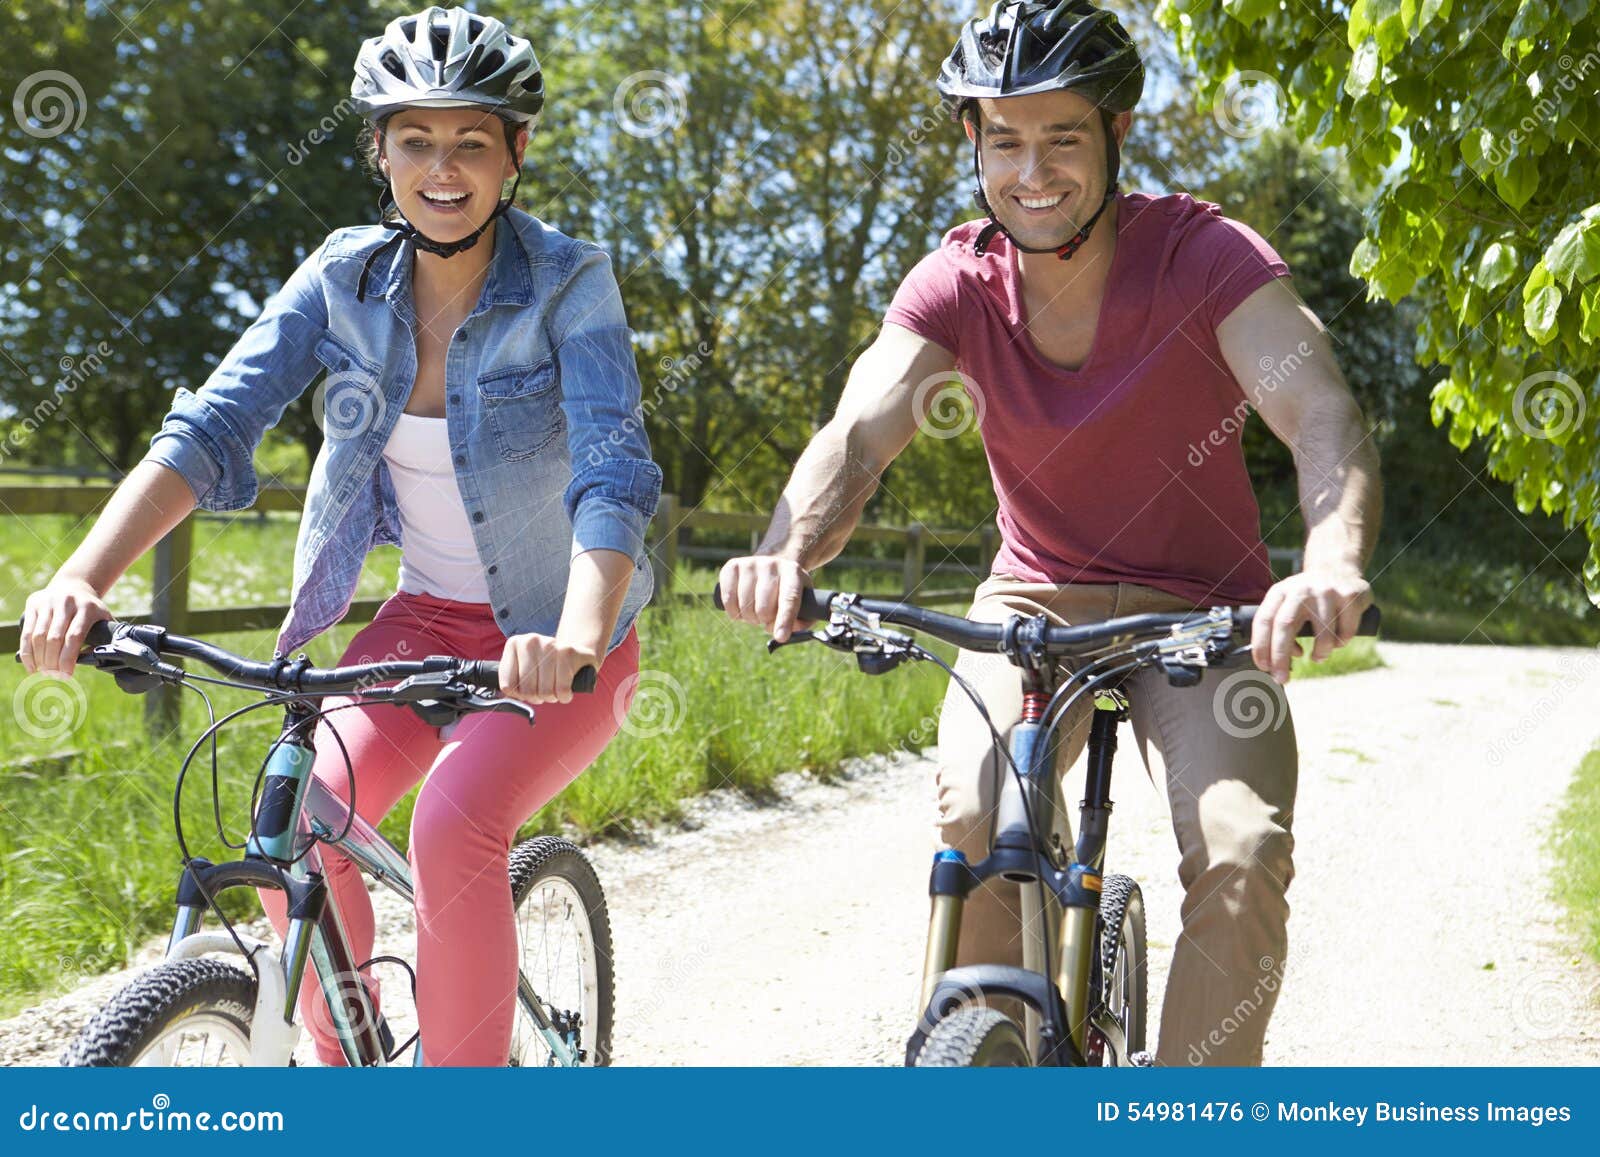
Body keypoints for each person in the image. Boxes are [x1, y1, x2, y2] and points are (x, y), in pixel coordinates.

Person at [717, 0, 1379, 1066]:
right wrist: (787, 552)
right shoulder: (954, 282)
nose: (1031, 170)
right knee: (979, 824)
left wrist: (1331, 560)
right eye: (1003, 139)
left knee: (1242, 849)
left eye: (1062, 136)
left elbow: (1322, 412)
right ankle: (996, 1070)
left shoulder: (1206, 257)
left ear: (1117, 134)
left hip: (1203, 615)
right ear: (972, 142)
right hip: (1031, 600)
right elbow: (857, 434)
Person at [18, 6, 661, 1066]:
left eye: (471, 141)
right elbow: (213, 425)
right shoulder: (340, 277)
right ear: (377, 148)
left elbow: (611, 467)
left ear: (515, 152)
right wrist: (83, 576)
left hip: (556, 642)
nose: (441, 168)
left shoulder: (566, 282)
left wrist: (579, 633)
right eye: (415, 139)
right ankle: (344, 1063)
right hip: (421, 623)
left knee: (453, 824)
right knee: (301, 802)